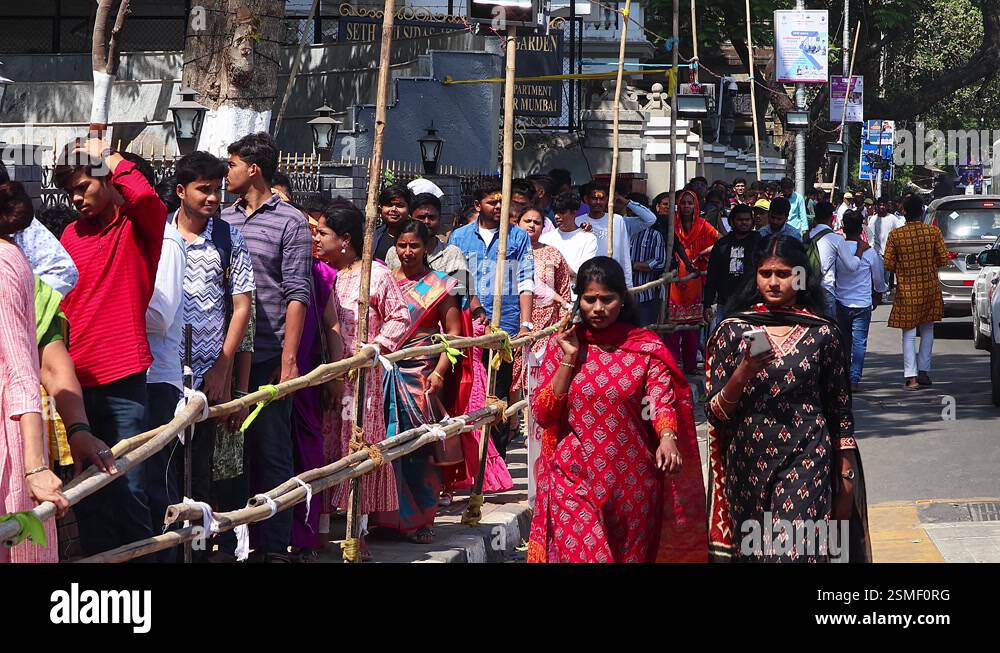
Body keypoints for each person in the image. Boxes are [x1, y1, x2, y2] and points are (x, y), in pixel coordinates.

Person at [527, 257, 707, 563]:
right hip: (573, 477)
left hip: (632, 483)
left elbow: (661, 399)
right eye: (589, 299)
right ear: (578, 301)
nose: (598, 308)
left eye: (607, 299)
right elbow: (543, 414)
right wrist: (570, 359)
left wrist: (667, 437)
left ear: (622, 300)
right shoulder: (565, 347)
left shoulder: (645, 348)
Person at [705, 235, 870, 562]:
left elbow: (840, 409)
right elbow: (716, 413)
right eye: (766, 273)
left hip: (807, 457)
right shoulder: (733, 331)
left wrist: (847, 473)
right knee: (756, 553)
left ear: (800, 276)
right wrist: (744, 371)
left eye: (783, 274)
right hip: (747, 463)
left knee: (797, 553)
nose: (774, 282)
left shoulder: (823, 333)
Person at [56, 137, 166, 556]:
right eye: (70, 191)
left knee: (131, 487)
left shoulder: (139, 225)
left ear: (107, 179)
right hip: (74, 384)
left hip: (124, 376)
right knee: (88, 494)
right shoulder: (69, 233)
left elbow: (145, 196)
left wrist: (110, 156)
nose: (77, 198)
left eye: (84, 186)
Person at [221, 132, 311, 562]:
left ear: (253, 168)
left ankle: (274, 547)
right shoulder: (223, 218)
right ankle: (225, 543)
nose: (227, 172)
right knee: (226, 454)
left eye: (232, 163)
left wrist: (290, 360)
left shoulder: (290, 221)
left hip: (272, 354)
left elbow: (298, 292)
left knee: (272, 450)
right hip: (225, 354)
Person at [170, 151, 256, 558]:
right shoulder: (161, 237)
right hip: (163, 372)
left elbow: (242, 305)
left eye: (217, 190)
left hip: (207, 375)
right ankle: (169, 552)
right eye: (204, 189)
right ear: (180, 191)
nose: (213, 198)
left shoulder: (228, 237)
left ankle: (200, 552)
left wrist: (223, 367)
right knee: (165, 469)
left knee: (200, 472)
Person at [314, 204, 410, 557]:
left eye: (324, 233)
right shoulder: (321, 274)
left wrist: (373, 349)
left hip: (361, 379)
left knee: (358, 444)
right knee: (325, 449)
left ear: (345, 240)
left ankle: (359, 529)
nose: (317, 238)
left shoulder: (375, 274)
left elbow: (400, 317)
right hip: (325, 375)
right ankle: (321, 528)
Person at [371, 221, 470, 543]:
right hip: (382, 371)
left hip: (420, 374)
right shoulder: (383, 279)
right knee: (381, 444)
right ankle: (384, 517)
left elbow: (454, 334)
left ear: (427, 247)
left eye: (414, 246)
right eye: (402, 245)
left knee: (417, 447)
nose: (407, 252)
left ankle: (421, 519)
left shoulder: (441, 285)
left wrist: (440, 372)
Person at [1, 182, 71, 563]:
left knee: (17, 539)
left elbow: (22, 371)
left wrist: (35, 468)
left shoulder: (1, 262)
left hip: (9, 444)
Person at [449, 181, 535, 458]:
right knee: (465, 385)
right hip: (465, 323)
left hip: (505, 323)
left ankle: (495, 455)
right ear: (478, 205)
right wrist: (474, 308)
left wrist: (525, 323)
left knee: (497, 387)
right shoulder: (459, 237)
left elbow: (525, 279)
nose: (498, 207)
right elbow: (455, 279)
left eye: (502, 202)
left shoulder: (518, 237)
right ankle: (468, 455)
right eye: (492, 202)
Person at [882, 194, 949, 391]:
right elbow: (943, 259)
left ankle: (911, 378)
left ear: (904, 211)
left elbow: (888, 264)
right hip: (929, 287)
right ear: (922, 212)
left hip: (907, 290)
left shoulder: (896, 235)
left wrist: (905, 268)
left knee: (909, 334)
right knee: (927, 330)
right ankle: (924, 372)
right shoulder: (933, 232)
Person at [511, 208, 572, 393]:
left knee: (540, 371)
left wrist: (562, 323)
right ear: (517, 224)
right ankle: (514, 419)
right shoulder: (508, 253)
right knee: (515, 371)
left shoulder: (553, 253)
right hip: (517, 320)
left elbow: (564, 288)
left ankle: (536, 414)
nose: (532, 225)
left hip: (548, 324)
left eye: (537, 222)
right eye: (527, 221)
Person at [836, 211, 888, 392]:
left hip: (841, 302)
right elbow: (879, 280)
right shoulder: (869, 252)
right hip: (862, 304)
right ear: (861, 229)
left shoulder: (838, 248)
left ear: (843, 227)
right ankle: (854, 379)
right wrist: (879, 293)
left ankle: (843, 376)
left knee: (844, 342)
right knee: (859, 343)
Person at [667, 189, 718, 374]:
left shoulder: (703, 225)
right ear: (678, 205)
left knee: (692, 326)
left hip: (694, 276)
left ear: (696, 205)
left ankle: (689, 366)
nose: (686, 206)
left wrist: (705, 252)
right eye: (683, 203)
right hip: (673, 276)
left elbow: (720, 240)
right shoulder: (672, 225)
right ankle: (673, 366)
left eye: (690, 203)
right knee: (672, 325)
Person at [806, 202, 870, 319]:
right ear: (832, 218)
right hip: (826, 290)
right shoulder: (836, 239)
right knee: (829, 332)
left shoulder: (806, 236)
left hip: (807, 290)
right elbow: (851, 266)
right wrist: (860, 250)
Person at [703, 203, 761, 330]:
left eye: (747, 220)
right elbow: (712, 275)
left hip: (752, 302)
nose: (744, 223)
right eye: (740, 220)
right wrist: (707, 303)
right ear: (732, 221)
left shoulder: (759, 242)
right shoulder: (722, 245)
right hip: (726, 303)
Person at [576, 185, 635, 287]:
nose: (598, 202)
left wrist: (628, 285)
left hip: (612, 276)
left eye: (601, 199)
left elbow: (624, 254)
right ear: (586, 199)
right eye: (594, 198)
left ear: (607, 199)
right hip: (588, 277)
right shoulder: (578, 221)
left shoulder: (617, 220)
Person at [540, 191, 598, 280]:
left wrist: (556, 264)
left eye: (562, 212)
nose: (556, 216)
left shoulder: (588, 239)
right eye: (555, 212)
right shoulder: (545, 239)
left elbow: (584, 271)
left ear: (574, 212)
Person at [630, 219, 667, 327]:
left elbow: (659, 261)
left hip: (645, 295)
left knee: (644, 332)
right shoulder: (622, 232)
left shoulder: (654, 235)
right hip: (623, 297)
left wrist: (633, 265)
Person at [373, 185, 413, 261]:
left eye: (399, 206)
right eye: (389, 205)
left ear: (409, 209)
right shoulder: (374, 235)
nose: (394, 209)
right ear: (381, 208)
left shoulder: (416, 237)